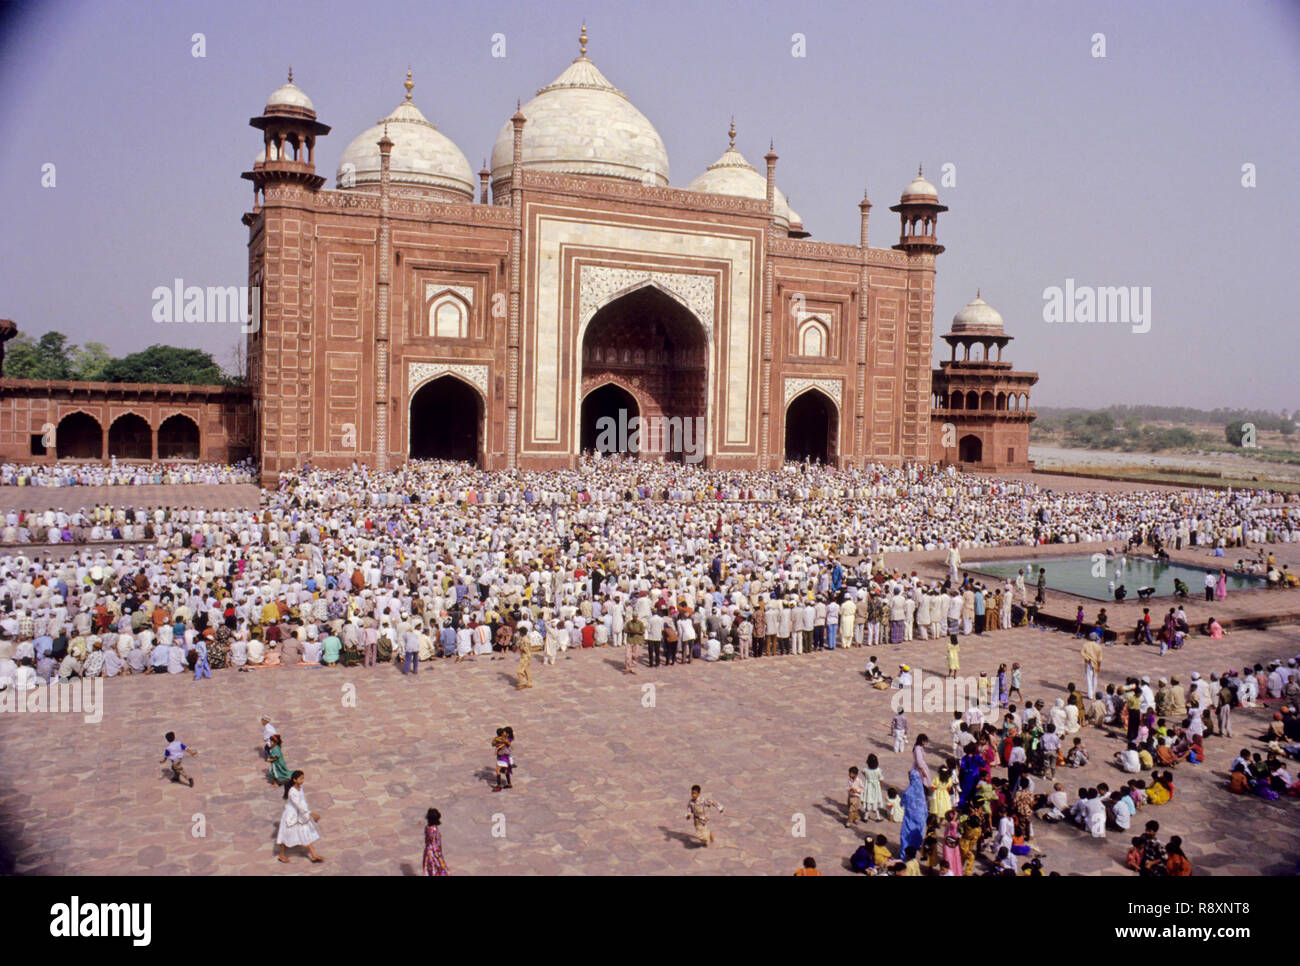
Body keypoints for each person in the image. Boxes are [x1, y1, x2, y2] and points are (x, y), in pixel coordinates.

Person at [277, 770, 324, 863]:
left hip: (300, 814)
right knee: (287, 836)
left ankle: (314, 855)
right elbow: (299, 805)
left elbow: (302, 801)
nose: (303, 780)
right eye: (301, 778)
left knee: (306, 832)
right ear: (295, 780)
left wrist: (307, 811)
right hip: (292, 815)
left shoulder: (300, 787)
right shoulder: (292, 792)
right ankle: (281, 855)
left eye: (303, 778)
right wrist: (310, 813)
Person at [423, 807, 449, 876]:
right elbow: (435, 847)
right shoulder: (435, 831)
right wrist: (440, 860)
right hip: (434, 856)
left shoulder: (427, 828)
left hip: (427, 853)